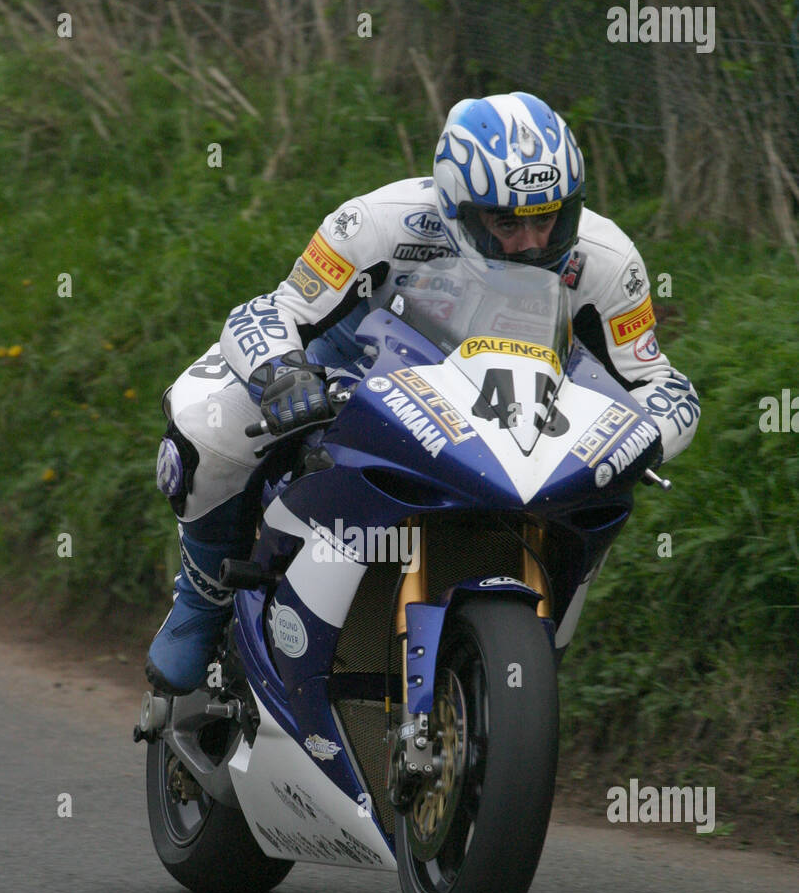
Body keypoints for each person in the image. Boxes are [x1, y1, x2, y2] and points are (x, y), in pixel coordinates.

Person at [146, 91, 700, 695]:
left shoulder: (610, 260)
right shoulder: (376, 221)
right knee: (210, 427)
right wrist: (284, 376)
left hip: (515, 413)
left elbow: (657, 382)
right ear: (455, 206)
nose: (532, 242)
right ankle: (202, 598)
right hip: (350, 379)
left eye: (549, 218)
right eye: (506, 222)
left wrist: (642, 437)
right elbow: (271, 312)